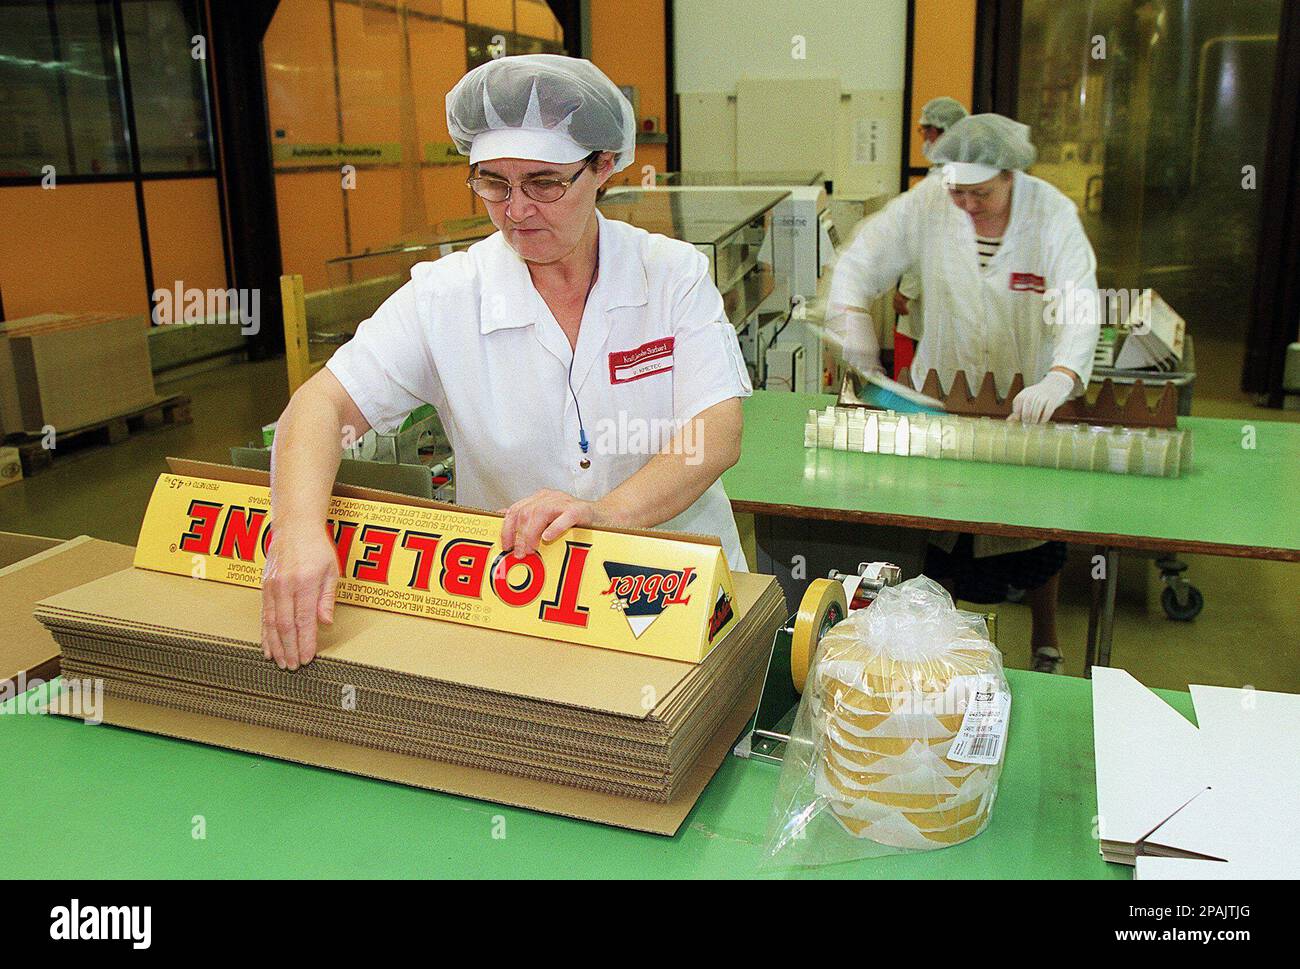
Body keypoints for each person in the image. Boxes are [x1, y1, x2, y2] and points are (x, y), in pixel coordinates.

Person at [259, 54, 752, 670]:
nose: (517, 210)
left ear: (602, 168)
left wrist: (606, 514)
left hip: (678, 586)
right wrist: (298, 529)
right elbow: (321, 405)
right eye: (494, 182)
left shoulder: (671, 274)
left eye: (544, 183)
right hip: (529, 600)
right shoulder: (446, 296)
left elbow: (717, 431)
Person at [827, 113, 1101, 674]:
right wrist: (851, 310)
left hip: (1026, 394)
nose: (968, 205)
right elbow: (863, 256)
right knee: (943, 534)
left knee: (1033, 531)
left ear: (1011, 176)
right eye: (960, 192)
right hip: (944, 388)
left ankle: (1045, 640)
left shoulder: (1049, 213)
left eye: (981, 194)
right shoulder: (933, 201)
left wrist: (1062, 375)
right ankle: (942, 654)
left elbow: (1078, 297)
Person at [892, 97, 969, 378]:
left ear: (942, 132)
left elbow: (926, 240)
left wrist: (906, 290)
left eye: (926, 131)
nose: (924, 138)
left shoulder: (943, 181)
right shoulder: (967, 172)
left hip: (936, 286)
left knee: (928, 369)